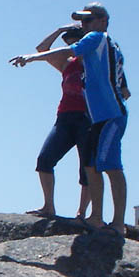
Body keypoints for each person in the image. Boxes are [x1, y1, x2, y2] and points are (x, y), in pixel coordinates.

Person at [11, 3, 130, 234]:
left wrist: (32, 58)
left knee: (111, 167)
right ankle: (95, 218)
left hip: (108, 114)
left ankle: (117, 224)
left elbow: (68, 52)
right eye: (82, 22)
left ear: (103, 21)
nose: (85, 26)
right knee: (92, 166)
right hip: (94, 117)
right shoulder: (102, 49)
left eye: (89, 21)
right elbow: (69, 55)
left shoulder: (98, 38)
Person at [21, 24, 91, 218]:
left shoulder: (94, 62)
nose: (70, 46)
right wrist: (60, 29)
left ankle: (82, 213)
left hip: (88, 119)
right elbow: (42, 50)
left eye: (73, 42)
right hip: (65, 116)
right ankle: (48, 206)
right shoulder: (66, 63)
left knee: (88, 167)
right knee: (45, 159)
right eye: (68, 43)